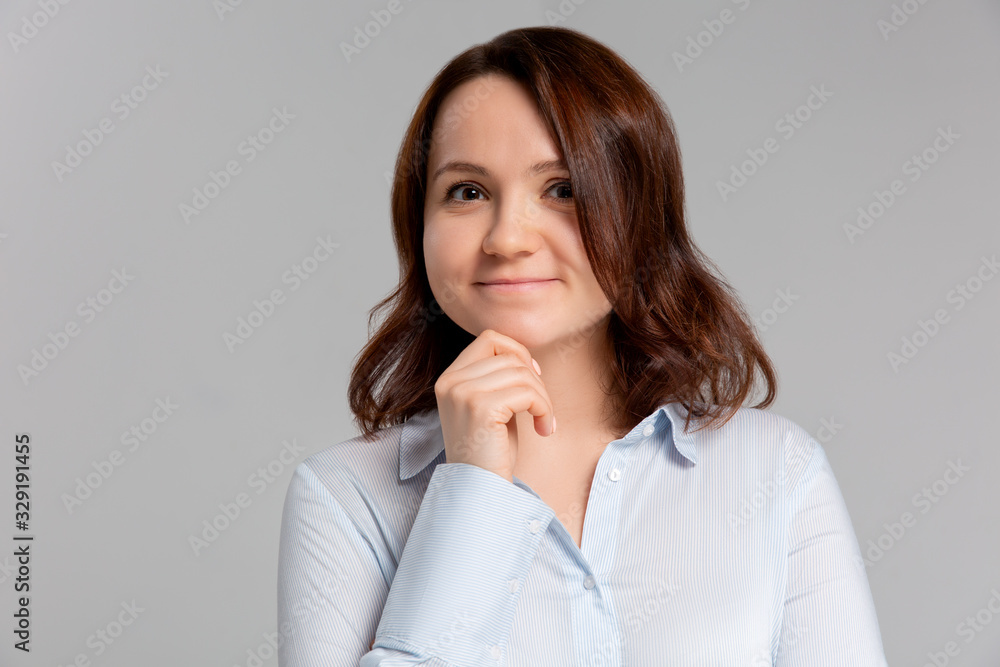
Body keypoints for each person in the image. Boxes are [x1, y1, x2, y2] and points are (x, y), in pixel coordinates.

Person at [277, 26, 888, 666]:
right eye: (468, 191)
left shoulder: (776, 472)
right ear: (418, 224)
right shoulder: (344, 496)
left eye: (562, 189)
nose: (508, 238)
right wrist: (472, 490)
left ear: (641, 218)